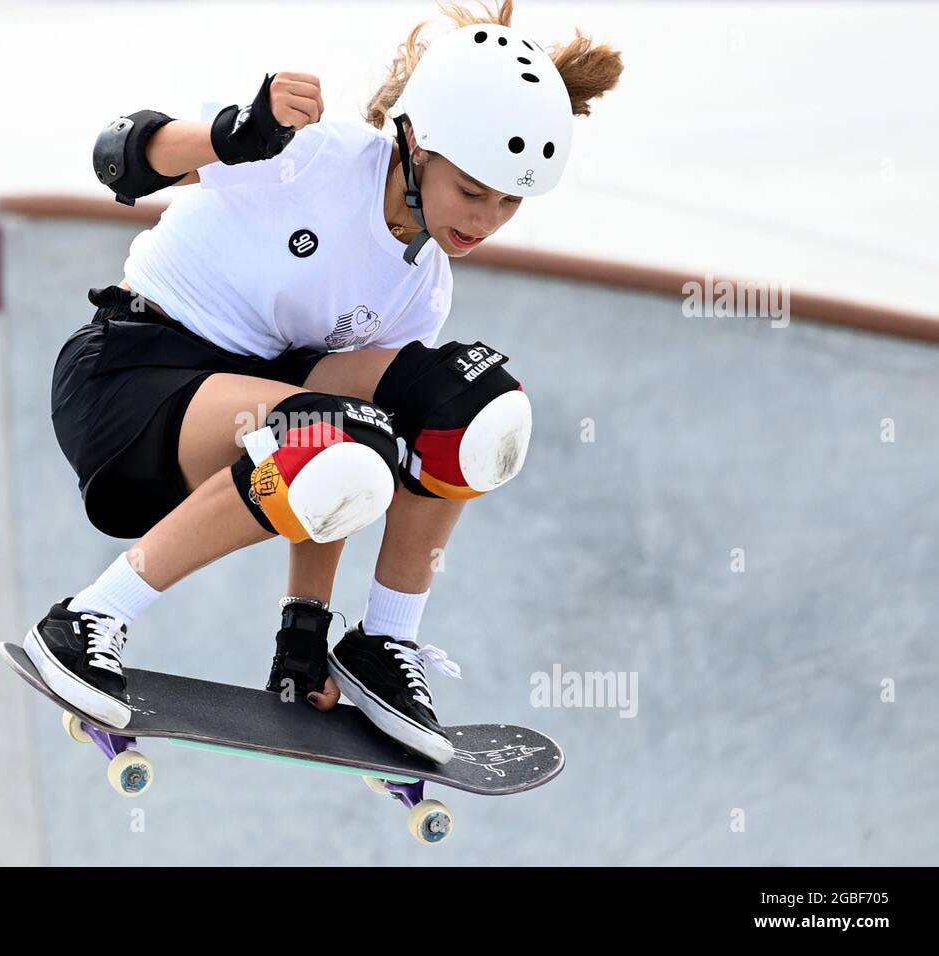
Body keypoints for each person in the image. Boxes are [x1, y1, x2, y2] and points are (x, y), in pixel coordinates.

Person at [30, 0, 623, 764]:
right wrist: (233, 133)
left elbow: (345, 463)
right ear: (415, 144)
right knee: (339, 431)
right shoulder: (314, 159)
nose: (487, 219)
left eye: (510, 202)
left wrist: (304, 624)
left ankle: (382, 642)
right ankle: (87, 617)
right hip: (127, 380)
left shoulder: (422, 288)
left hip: (255, 415)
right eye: (472, 192)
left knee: (463, 408)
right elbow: (120, 157)